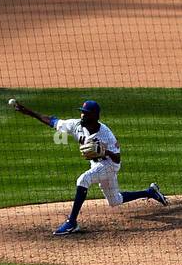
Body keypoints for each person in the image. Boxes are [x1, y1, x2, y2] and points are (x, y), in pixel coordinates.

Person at [11, 99, 169, 235]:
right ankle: (150, 192)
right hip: (97, 164)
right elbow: (53, 121)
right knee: (115, 201)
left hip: (109, 165)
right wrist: (29, 112)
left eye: (86, 113)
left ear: (95, 116)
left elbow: (117, 158)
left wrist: (104, 151)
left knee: (83, 179)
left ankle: (71, 222)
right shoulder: (76, 125)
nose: (82, 115)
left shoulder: (106, 134)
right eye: (82, 112)